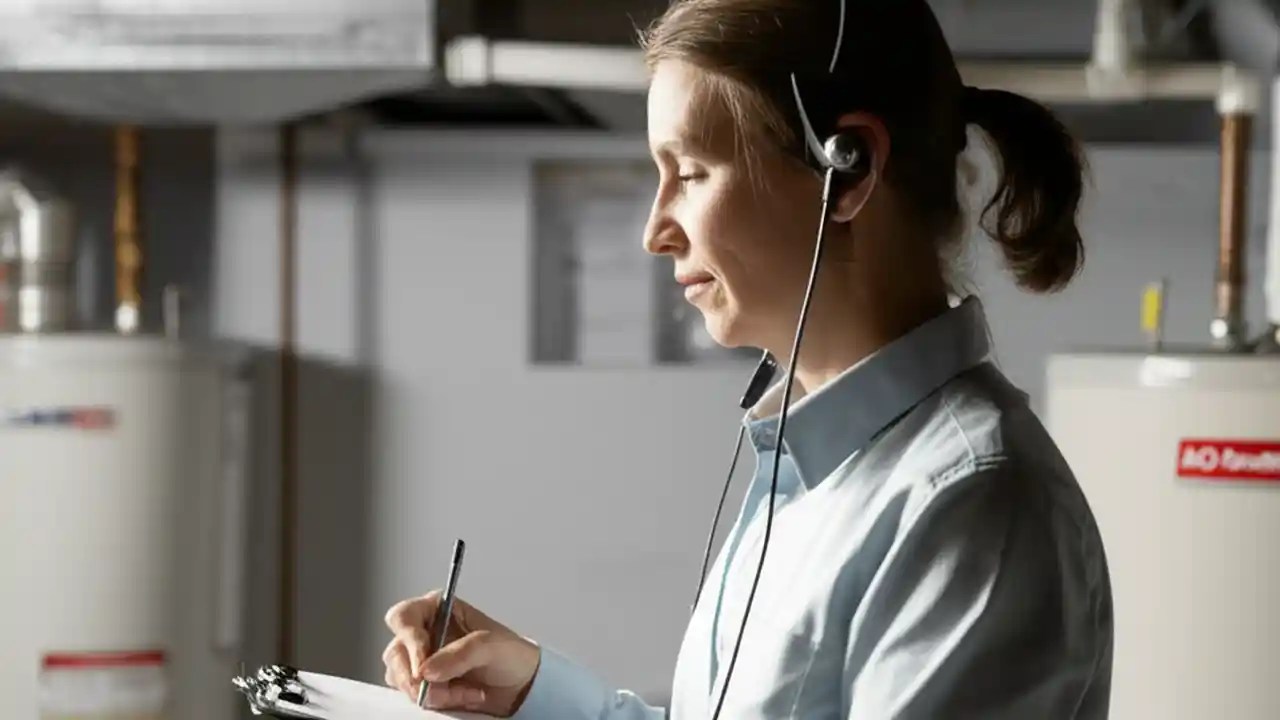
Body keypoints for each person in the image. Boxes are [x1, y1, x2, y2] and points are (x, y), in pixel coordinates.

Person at [382, 0, 1113, 717]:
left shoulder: (973, 510)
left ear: (848, 171)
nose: (655, 230)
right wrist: (533, 695)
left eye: (691, 172)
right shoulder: (811, 469)